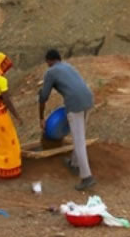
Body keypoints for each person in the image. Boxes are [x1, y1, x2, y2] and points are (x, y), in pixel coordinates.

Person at [39, 49, 95, 191]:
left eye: (47, 63)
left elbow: (43, 96)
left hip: (74, 104)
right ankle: (74, 164)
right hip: (88, 100)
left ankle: (87, 177)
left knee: (78, 141)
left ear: (49, 61)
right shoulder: (68, 66)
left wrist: (41, 117)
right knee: (80, 136)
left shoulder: (51, 72)